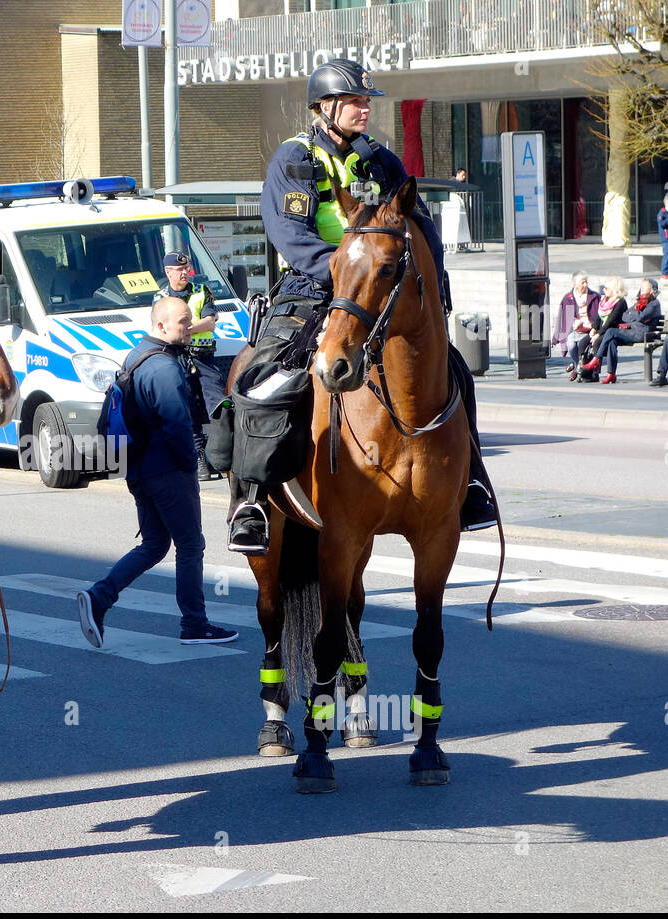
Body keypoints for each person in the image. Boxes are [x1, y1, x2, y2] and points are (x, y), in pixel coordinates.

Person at [228, 57, 496, 554]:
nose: (363, 110)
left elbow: (422, 230)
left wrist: (434, 289)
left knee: (454, 373)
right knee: (261, 376)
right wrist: (344, 272)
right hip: (313, 288)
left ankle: (472, 482)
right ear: (324, 107)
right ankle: (251, 501)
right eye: (353, 101)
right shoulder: (295, 157)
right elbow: (290, 235)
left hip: (380, 287)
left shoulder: (381, 161)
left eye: (366, 101)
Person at [77, 296, 239, 648]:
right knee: (190, 544)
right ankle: (194, 624)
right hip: (167, 471)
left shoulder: (136, 356)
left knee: (154, 544)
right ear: (162, 325)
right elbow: (177, 425)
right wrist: (191, 466)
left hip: (139, 470)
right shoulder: (164, 368)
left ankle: (99, 596)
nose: (189, 326)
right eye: (182, 321)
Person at [153, 250, 222, 479]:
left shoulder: (202, 290)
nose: (185, 273)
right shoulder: (160, 297)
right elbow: (160, 327)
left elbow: (210, 323)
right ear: (168, 272)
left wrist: (185, 327)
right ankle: (199, 456)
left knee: (217, 403)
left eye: (187, 269)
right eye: (180, 270)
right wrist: (190, 326)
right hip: (177, 356)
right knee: (187, 406)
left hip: (203, 356)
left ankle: (218, 452)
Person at [588, 277, 660, 384]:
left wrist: (634, 315)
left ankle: (596, 359)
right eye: (641, 287)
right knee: (612, 341)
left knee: (611, 331)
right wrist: (635, 315)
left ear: (651, 290)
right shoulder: (639, 302)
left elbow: (642, 317)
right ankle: (611, 374)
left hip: (642, 333)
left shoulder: (654, 303)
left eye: (644, 287)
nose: (642, 289)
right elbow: (625, 316)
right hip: (632, 331)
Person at [575, 276, 626, 381]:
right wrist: (594, 329)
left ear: (614, 290)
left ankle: (595, 372)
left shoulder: (620, 303)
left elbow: (611, 321)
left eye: (606, 288)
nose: (604, 290)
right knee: (583, 343)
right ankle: (584, 369)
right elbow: (598, 317)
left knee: (597, 343)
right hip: (600, 330)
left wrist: (598, 334)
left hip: (612, 330)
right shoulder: (604, 301)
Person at [554, 271, 599, 365]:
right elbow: (563, 318)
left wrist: (592, 325)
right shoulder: (568, 298)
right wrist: (556, 337)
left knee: (581, 345)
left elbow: (599, 316)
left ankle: (579, 368)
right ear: (574, 284)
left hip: (590, 330)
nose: (585, 284)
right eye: (582, 282)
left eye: (586, 282)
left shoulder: (594, 296)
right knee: (571, 345)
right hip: (574, 330)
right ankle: (578, 366)